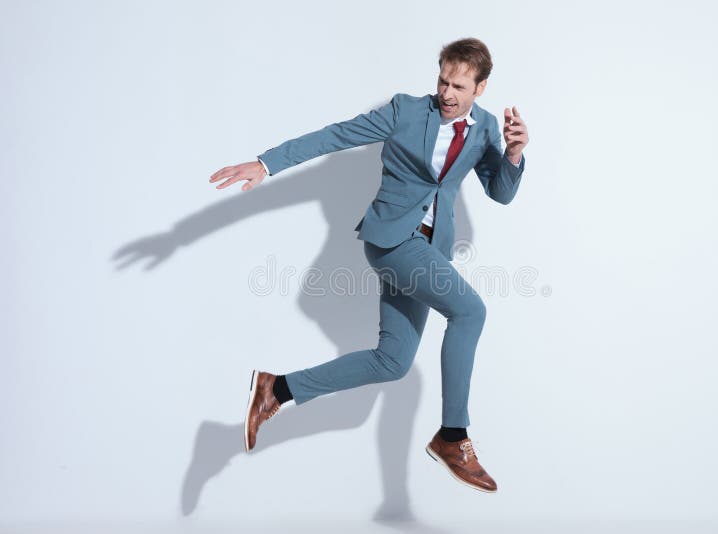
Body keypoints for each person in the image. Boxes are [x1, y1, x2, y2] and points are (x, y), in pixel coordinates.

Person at [209, 37, 529, 493]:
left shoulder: (483, 130)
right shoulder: (405, 110)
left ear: (480, 88)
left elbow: (500, 192)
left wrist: (513, 155)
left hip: (430, 249)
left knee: (392, 361)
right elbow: (334, 135)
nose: (447, 92)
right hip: (392, 241)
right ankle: (453, 437)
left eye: (459, 85)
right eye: (442, 80)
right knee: (470, 311)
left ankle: (275, 389)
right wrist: (267, 163)